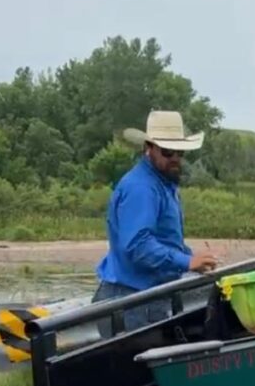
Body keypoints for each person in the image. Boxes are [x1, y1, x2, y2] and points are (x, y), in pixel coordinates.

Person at [92, 110, 218, 333]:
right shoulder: (142, 188)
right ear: (148, 149)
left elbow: (162, 240)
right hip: (132, 301)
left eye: (180, 152)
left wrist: (191, 258)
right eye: (168, 151)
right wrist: (186, 262)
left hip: (144, 298)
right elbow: (138, 245)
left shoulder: (162, 184)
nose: (175, 158)